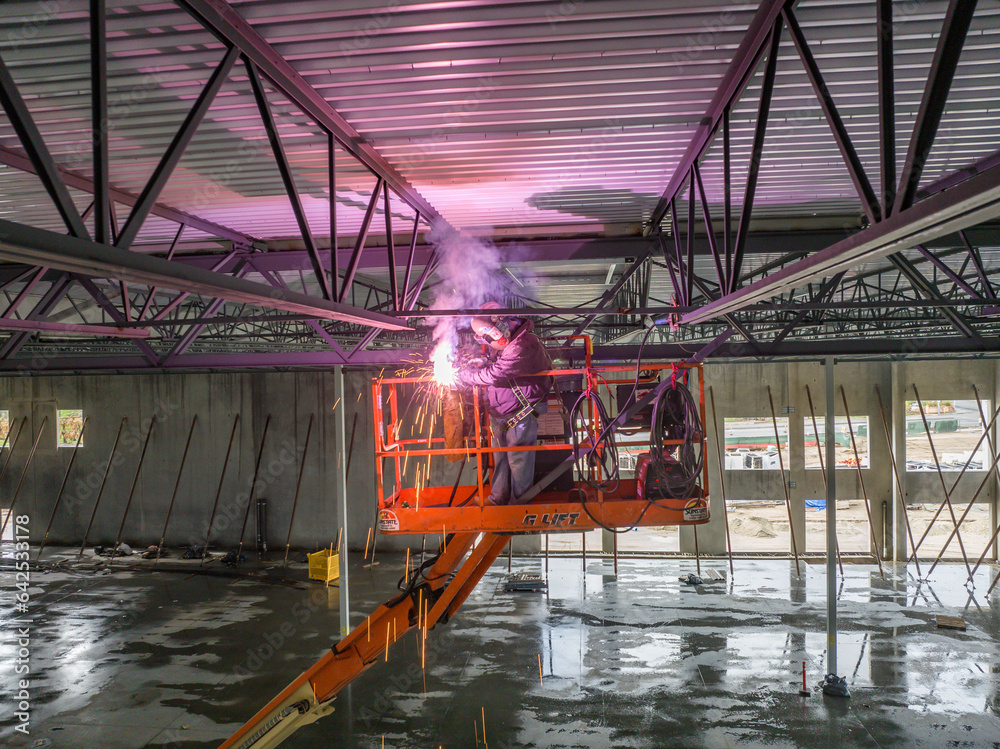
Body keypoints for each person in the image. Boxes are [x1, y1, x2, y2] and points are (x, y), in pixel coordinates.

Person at [458, 303, 553, 505]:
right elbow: (495, 365)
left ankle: (519, 503)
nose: (492, 343)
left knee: (519, 461)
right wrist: (480, 364)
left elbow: (498, 373)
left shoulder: (524, 344)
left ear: (503, 324)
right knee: (500, 459)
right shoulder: (508, 340)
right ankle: (499, 497)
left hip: (521, 412)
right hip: (501, 412)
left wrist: (469, 376)